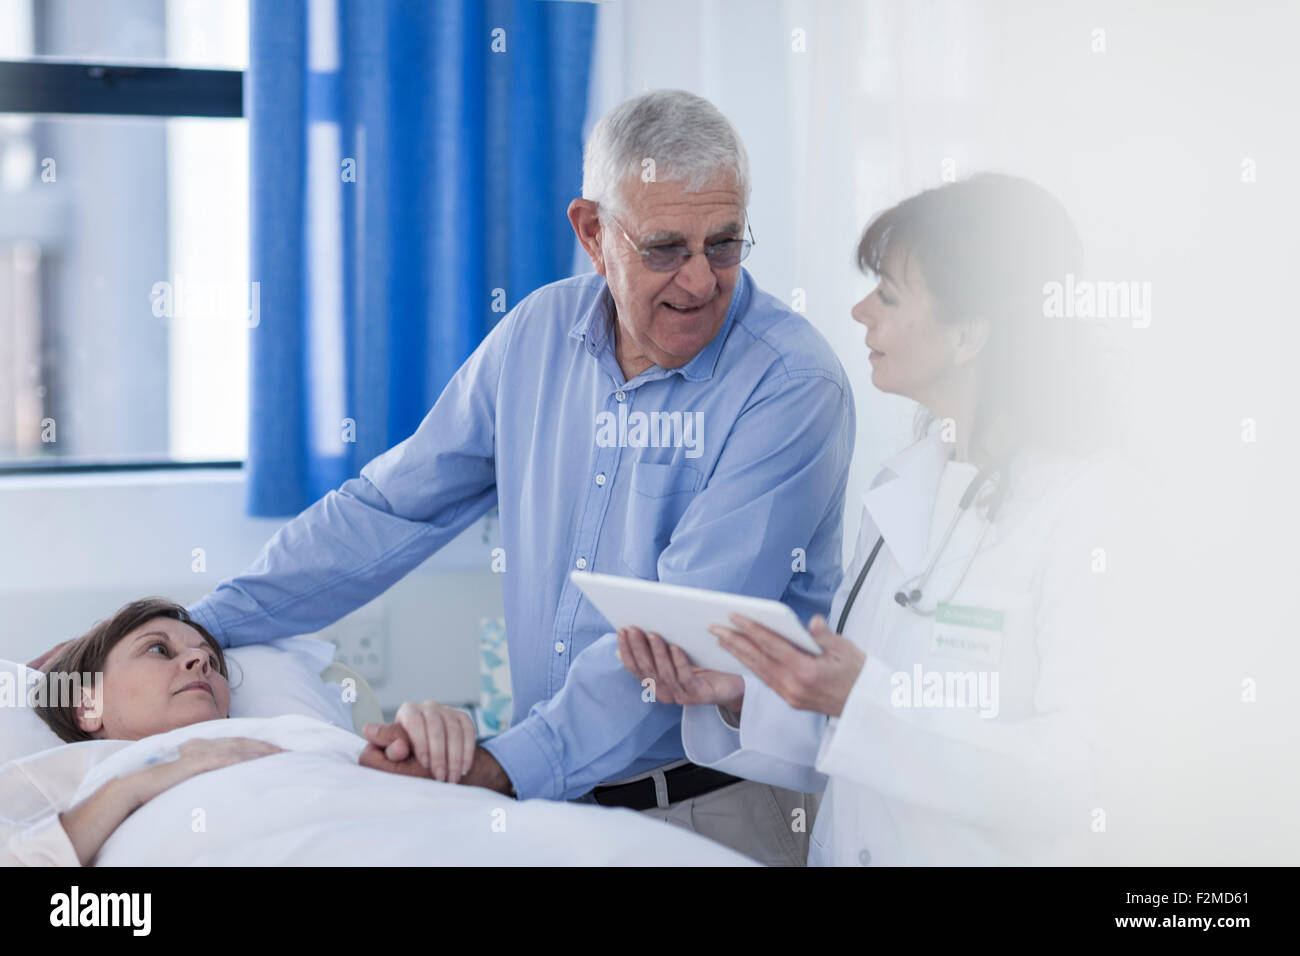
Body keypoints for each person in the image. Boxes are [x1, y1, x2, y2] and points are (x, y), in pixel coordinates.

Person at [29, 90, 854, 866]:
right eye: (667, 249)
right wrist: (198, 630)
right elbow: (390, 510)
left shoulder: (789, 388)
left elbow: (673, 643)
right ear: (594, 232)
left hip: (714, 806)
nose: (702, 280)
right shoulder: (537, 337)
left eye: (727, 243)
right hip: (558, 802)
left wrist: (497, 764)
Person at [619, 173, 1127, 865]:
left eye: (888, 295)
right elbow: (859, 743)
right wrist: (754, 697)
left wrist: (866, 702)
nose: (860, 311)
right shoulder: (906, 481)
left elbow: (1081, 778)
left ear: (971, 334)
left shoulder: (1087, 508)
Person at [7, 599, 283, 865]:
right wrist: (128, 789)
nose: (200, 659)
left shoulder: (285, 733)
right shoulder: (56, 776)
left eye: (211, 658)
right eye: (159, 649)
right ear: (89, 706)